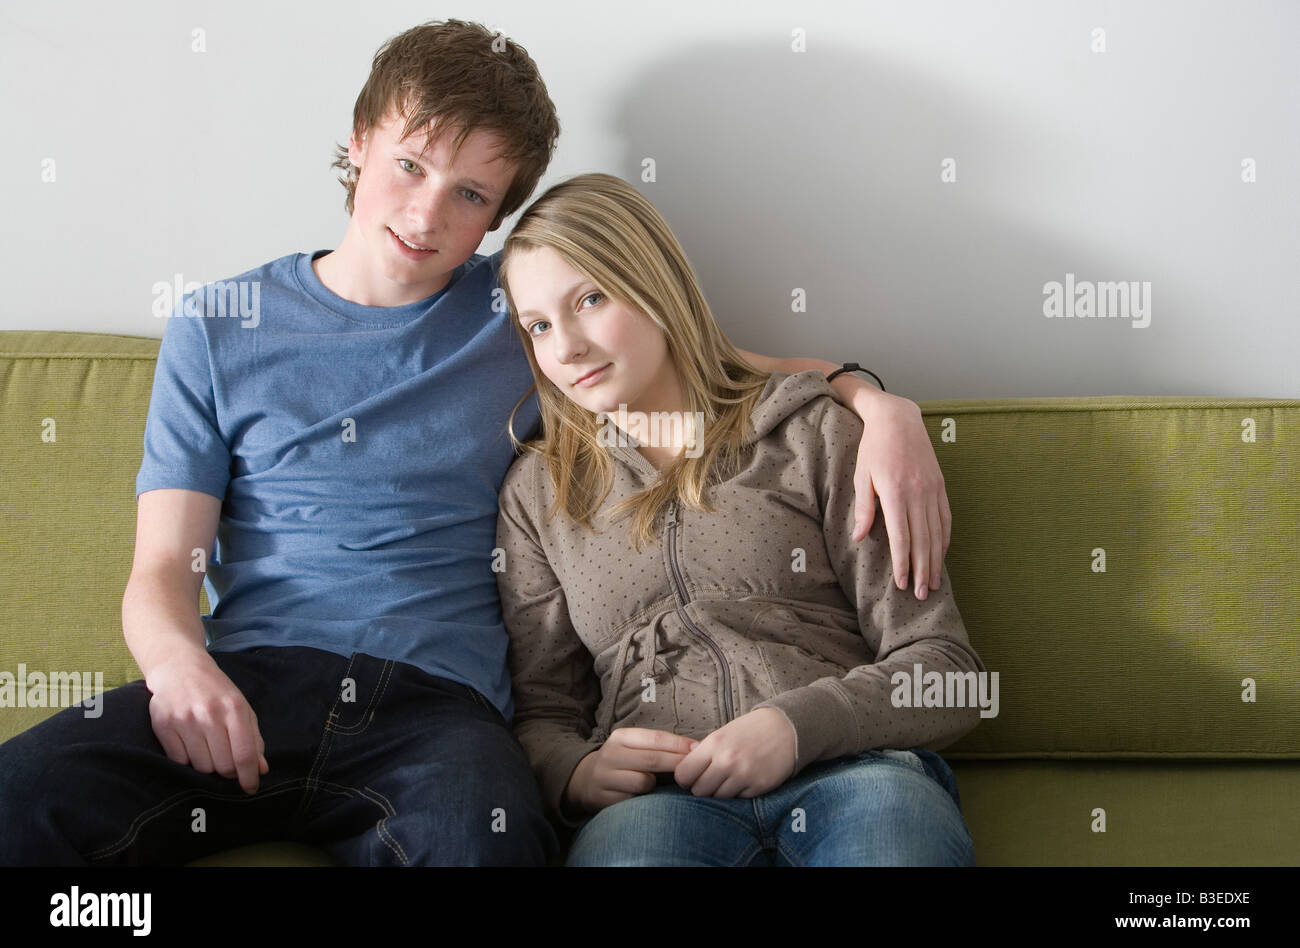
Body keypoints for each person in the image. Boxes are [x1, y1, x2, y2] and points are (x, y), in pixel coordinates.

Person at [0, 20, 953, 867]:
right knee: (19, 800)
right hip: (249, 680)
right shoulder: (219, 326)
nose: (425, 215)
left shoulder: (528, 311)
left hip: (434, 711)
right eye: (410, 165)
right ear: (359, 141)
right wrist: (179, 670)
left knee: (482, 836)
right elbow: (164, 566)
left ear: (497, 216)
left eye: (469, 194)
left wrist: (875, 403)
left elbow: (707, 360)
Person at [495, 173, 987, 866]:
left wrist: (794, 726)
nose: (567, 347)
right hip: (659, 808)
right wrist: (575, 775)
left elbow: (946, 671)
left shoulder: (811, 435)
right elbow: (542, 712)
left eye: (591, 299)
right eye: (539, 326)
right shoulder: (539, 494)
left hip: (856, 775)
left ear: (655, 284)